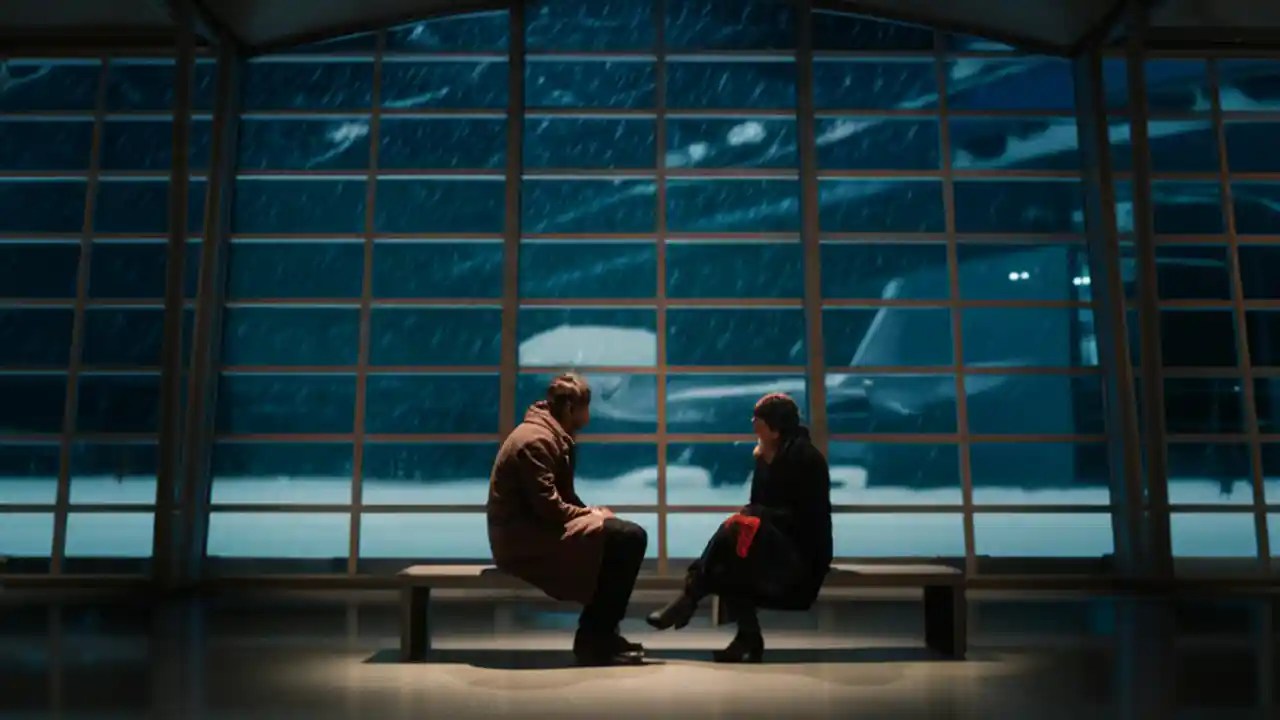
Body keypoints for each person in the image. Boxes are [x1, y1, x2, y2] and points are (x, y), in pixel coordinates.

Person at [646, 392, 832, 663]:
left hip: (801, 554)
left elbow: (807, 521)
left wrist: (756, 516)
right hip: (774, 544)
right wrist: (755, 516)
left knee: (735, 532)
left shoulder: (806, 459)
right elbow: (759, 506)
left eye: (757, 420)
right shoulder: (766, 457)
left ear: (773, 427)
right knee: (732, 554)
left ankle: (690, 598)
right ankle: (745, 635)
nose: (752, 425)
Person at [487, 372, 649, 666]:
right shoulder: (535, 441)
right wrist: (591, 516)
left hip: (533, 531)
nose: (588, 416)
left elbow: (555, 502)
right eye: (586, 407)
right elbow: (548, 507)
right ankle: (595, 635)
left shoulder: (547, 435)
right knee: (627, 538)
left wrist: (591, 516)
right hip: (523, 541)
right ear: (571, 409)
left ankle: (599, 632)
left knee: (620, 536)